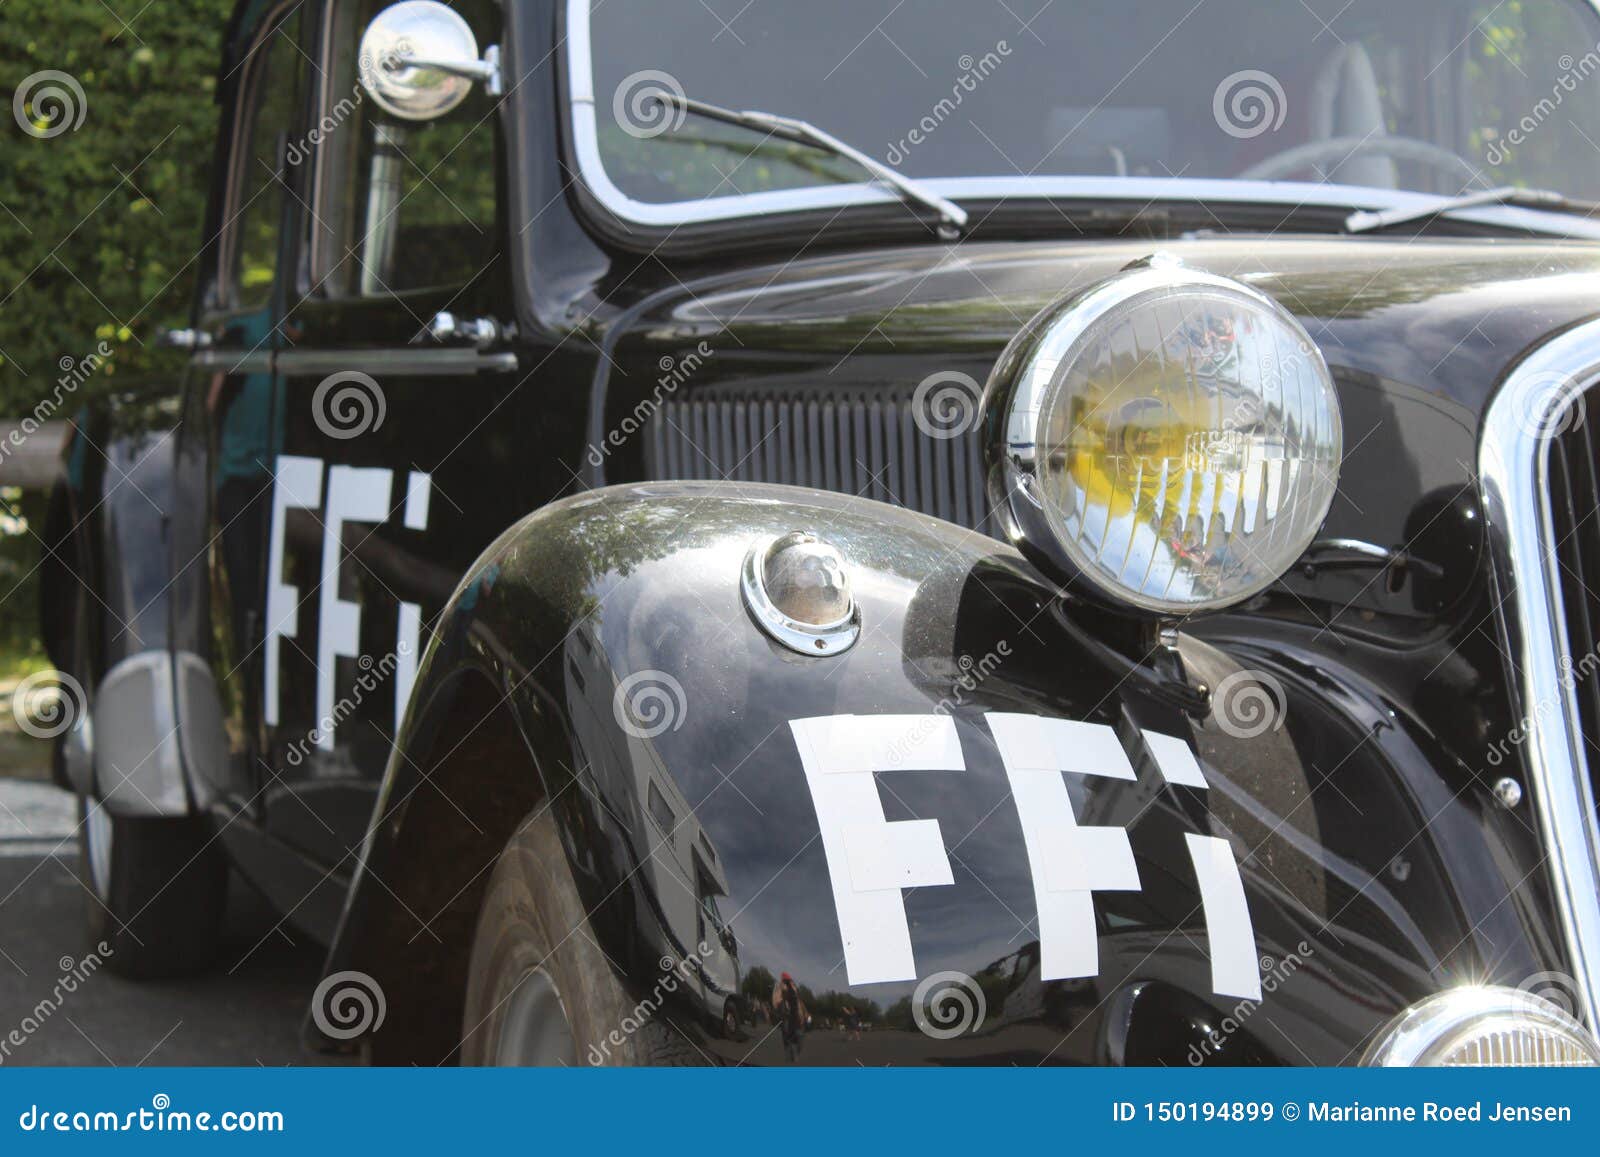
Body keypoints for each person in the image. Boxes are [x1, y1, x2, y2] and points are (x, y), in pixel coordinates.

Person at [771, 972, 807, 1062]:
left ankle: (795, 1051)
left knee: (799, 1035)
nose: (789, 982)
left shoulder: (794, 988)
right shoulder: (779, 987)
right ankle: (790, 1054)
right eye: (786, 980)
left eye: (789, 980)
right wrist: (779, 1006)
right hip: (786, 1016)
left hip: (794, 1015)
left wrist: (801, 1014)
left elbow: (798, 1001)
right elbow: (775, 1000)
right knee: (787, 1035)